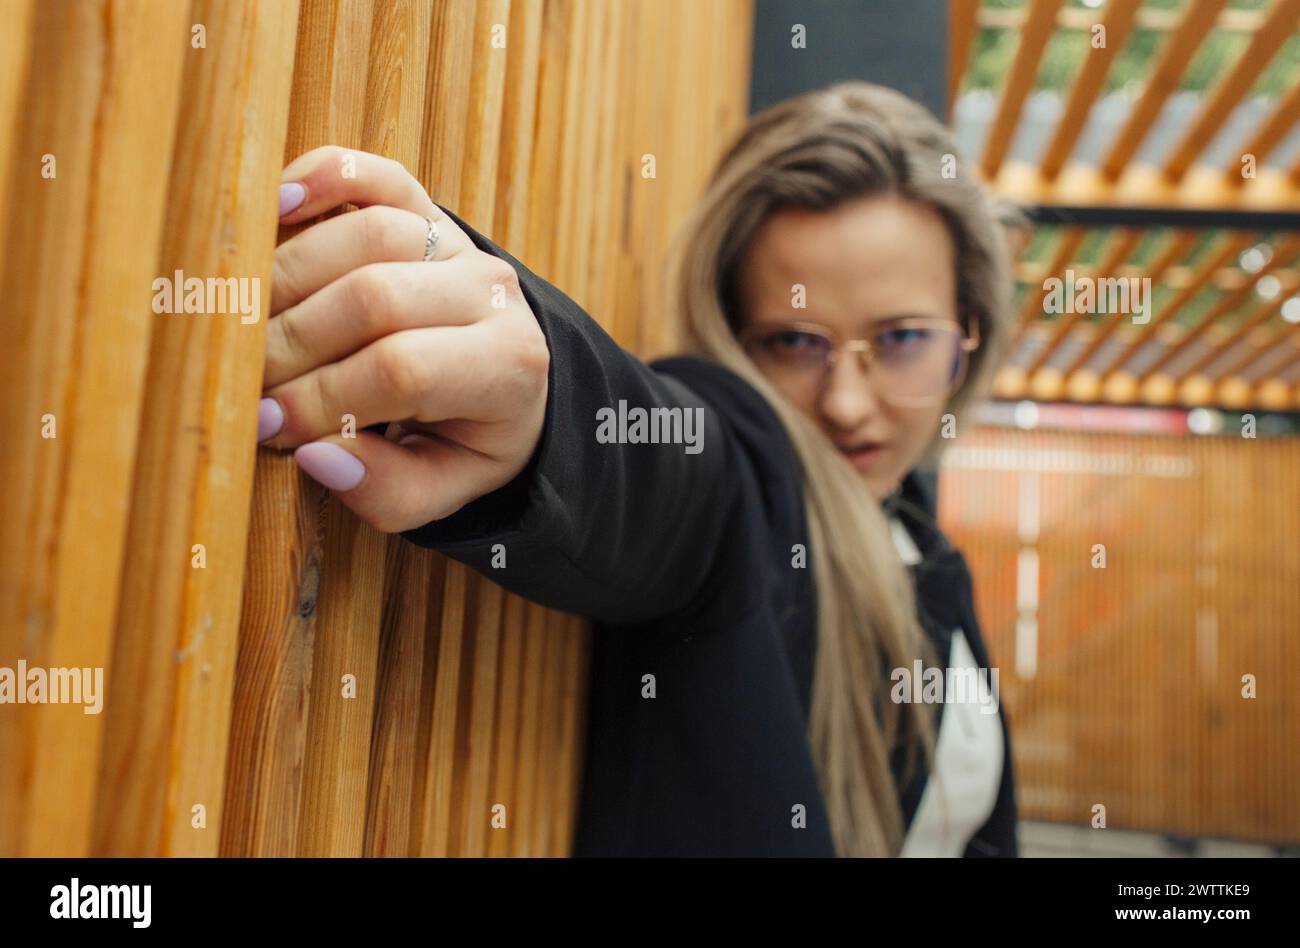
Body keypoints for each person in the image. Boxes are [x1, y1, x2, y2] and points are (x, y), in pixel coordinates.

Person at [260, 81, 1019, 857]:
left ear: (970, 335)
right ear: (731, 339)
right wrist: (545, 395)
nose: (849, 405)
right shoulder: (755, 489)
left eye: (900, 340)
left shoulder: (930, 551)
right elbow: (675, 471)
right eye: (793, 342)